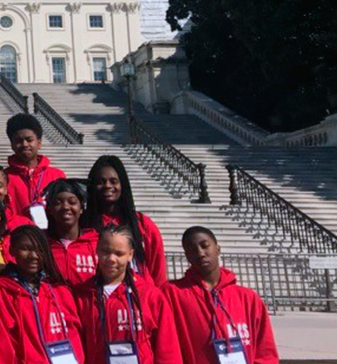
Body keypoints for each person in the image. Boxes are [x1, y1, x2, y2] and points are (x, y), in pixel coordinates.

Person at [164, 227, 279, 364]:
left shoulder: (248, 298)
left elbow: (265, 352)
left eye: (205, 246)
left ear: (218, 249)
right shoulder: (172, 294)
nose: (200, 253)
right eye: (192, 249)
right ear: (186, 255)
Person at [74, 226, 183, 364]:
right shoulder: (82, 295)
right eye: (105, 251)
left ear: (130, 255)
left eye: (119, 253)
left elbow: (168, 350)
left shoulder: (151, 296)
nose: (111, 259)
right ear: (97, 249)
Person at [0, 225, 84, 364]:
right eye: (24, 249)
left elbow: (74, 336)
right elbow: (0, 344)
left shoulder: (60, 292)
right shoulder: (1, 292)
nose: (33, 256)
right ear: (12, 250)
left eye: (39, 249)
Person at [82, 155, 167, 285]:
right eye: (101, 182)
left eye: (113, 181)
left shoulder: (143, 224)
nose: (107, 186)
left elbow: (158, 272)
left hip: (140, 297)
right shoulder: (82, 223)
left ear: (123, 184)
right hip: (95, 295)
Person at [2, 114, 65, 228]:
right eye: (19, 141)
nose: (25, 144)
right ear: (12, 144)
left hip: (51, 239)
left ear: (39, 142)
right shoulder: (4, 177)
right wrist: (27, 224)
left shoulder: (57, 176)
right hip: (17, 238)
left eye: (29, 140)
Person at [44, 179, 97, 286]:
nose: (65, 207)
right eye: (58, 203)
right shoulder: (41, 244)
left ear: (81, 208)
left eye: (72, 202)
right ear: (50, 209)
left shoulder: (97, 243)